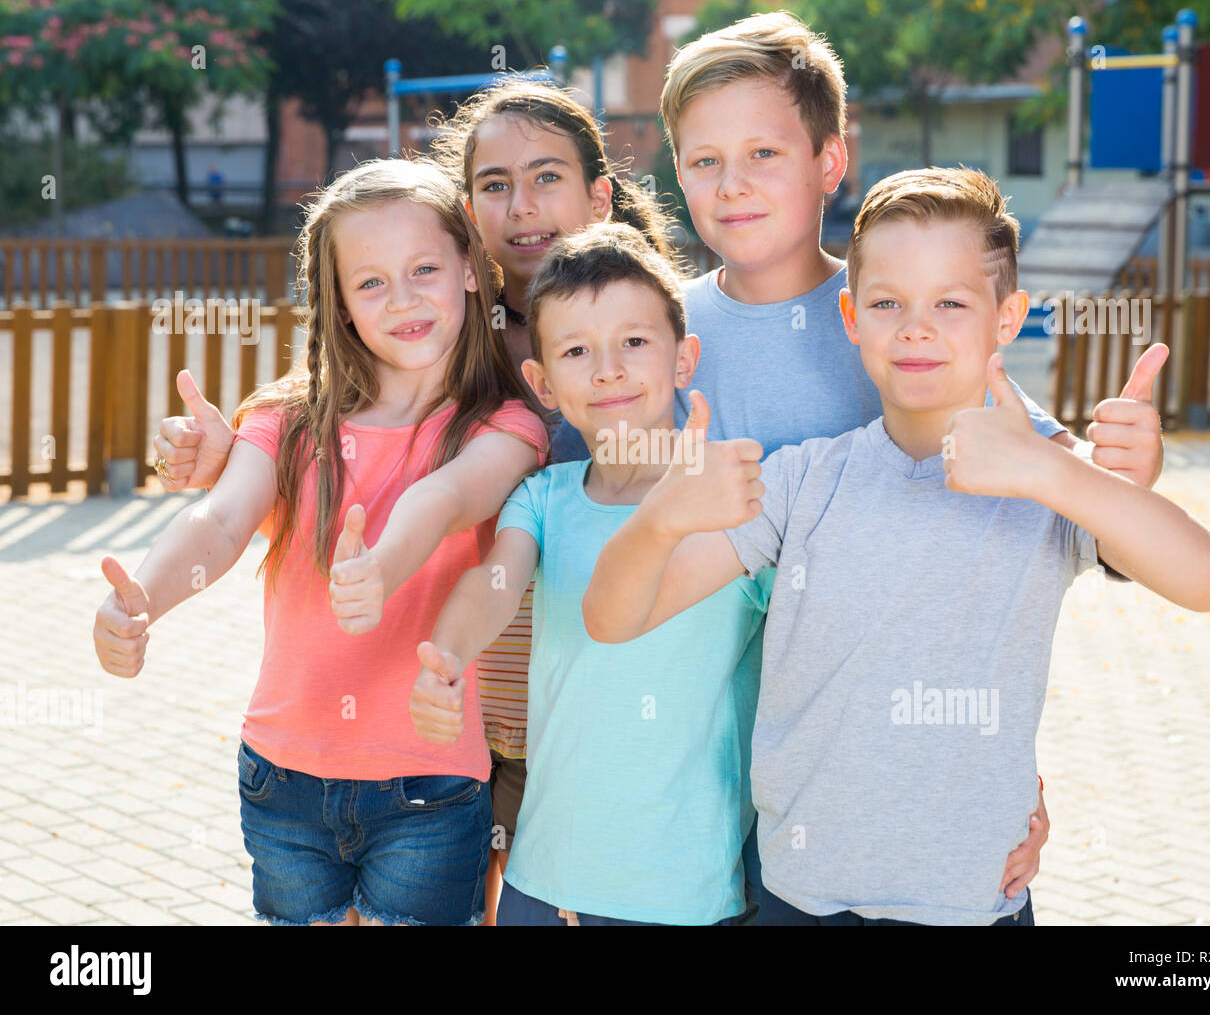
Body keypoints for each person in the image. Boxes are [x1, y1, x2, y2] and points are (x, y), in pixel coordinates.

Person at [582, 166, 1210, 925]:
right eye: (888, 304)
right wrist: (661, 518)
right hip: (800, 897)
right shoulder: (801, 482)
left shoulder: (1049, 490)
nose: (916, 328)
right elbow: (613, 618)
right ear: (851, 317)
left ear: (1007, 317)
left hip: (969, 904)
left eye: (951, 303)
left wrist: (1056, 470)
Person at [656, 11, 1169, 914]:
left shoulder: (905, 322)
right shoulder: (651, 333)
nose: (733, 185)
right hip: (682, 782)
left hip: (863, 803)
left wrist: (999, 775)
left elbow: (1033, 517)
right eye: (704, 160)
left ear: (829, 162)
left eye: (764, 154)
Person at [147, 79, 685, 924]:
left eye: (547, 176)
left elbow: (441, 497)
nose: (523, 206)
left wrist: (380, 565)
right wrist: (170, 555)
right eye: (496, 185)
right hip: (449, 724)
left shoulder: (625, 345)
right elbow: (247, 504)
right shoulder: (432, 371)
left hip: (563, 721)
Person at [93, 157, 549, 926]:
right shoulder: (284, 418)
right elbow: (222, 521)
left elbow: (446, 499)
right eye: (370, 282)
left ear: (472, 270)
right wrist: (142, 600)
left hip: (429, 788)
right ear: (337, 303)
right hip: (282, 779)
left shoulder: (507, 425)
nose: (402, 298)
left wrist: (381, 566)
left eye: (425, 269)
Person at [409, 222, 769, 925]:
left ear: (684, 358)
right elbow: (494, 583)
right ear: (541, 382)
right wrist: (446, 657)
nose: (608, 369)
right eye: (577, 351)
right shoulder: (545, 497)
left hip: (681, 888)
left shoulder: (737, 495)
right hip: (543, 877)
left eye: (634, 342)